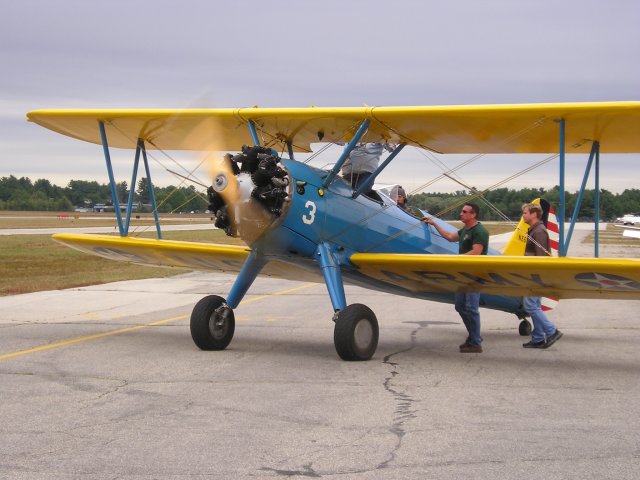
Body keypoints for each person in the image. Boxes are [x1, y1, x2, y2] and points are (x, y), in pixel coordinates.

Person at [422, 203, 489, 353]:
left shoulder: (480, 231)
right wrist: (434, 224)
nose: (461, 214)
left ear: (473, 215)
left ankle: (476, 343)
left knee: (472, 308)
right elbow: (450, 237)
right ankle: (474, 335)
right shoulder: (465, 229)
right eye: (461, 211)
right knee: (460, 306)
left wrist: (454, 259)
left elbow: (476, 253)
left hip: (475, 275)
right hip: (463, 275)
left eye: (464, 212)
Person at [520, 202, 563, 348]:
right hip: (533, 275)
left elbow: (540, 258)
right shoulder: (534, 230)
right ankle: (538, 337)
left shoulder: (538, 232)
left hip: (535, 276)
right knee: (535, 305)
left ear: (533, 214)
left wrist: (534, 278)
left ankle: (552, 331)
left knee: (530, 306)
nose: (523, 215)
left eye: (525, 213)